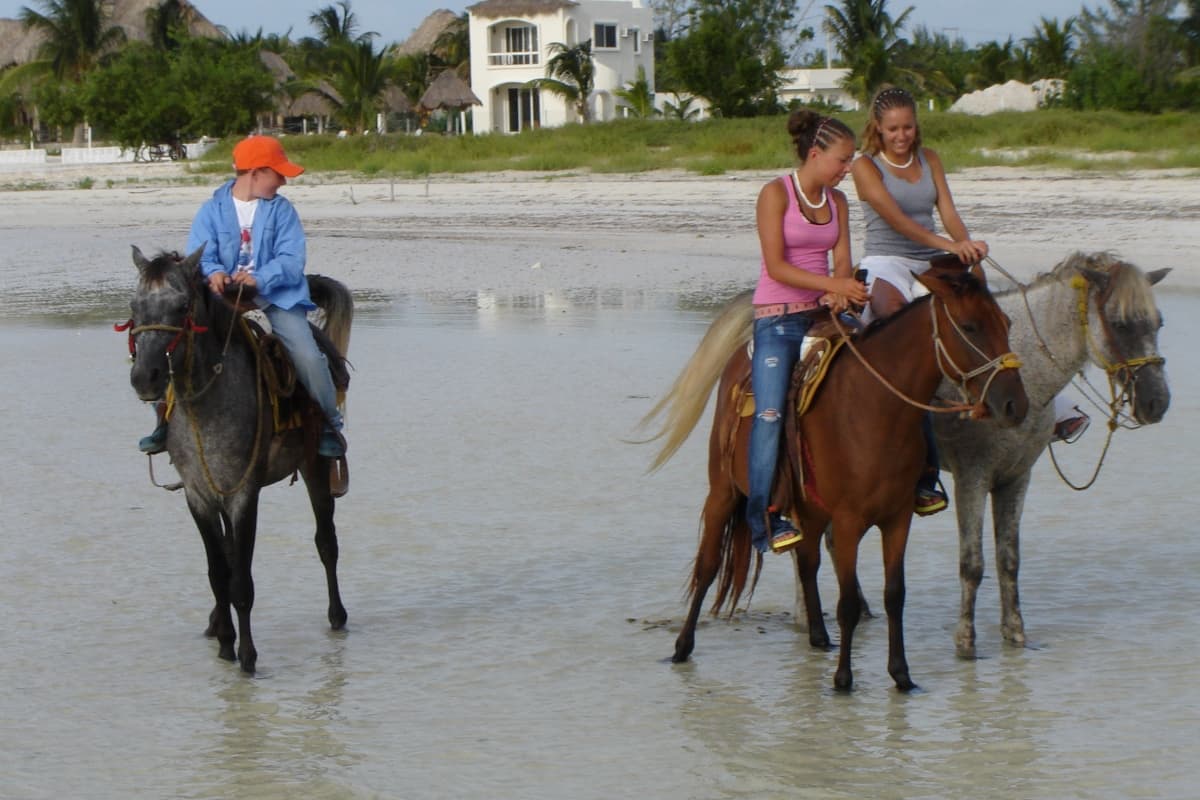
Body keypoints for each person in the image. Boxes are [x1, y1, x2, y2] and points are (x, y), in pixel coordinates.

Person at [852, 86, 1087, 515]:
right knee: (893, 318)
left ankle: (1055, 404)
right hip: (887, 258)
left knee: (987, 311)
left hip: (932, 258)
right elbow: (897, 220)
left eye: (908, 127)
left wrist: (965, 244)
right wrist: (947, 244)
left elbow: (948, 211)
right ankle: (907, 427)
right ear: (878, 130)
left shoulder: (932, 159)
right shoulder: (865, 166)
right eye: (892, 129)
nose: (901, 135)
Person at [139, 134, 346, 458]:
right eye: (278, 173)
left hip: (276, 297)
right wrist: (214, 273)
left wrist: (260, 278)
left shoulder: (282, 211)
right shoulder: (211, 210)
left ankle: (330, 424)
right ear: (256, 173)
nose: (282, 182)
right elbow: (201, 255)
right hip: (221, 298)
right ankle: (164, 419)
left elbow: (292, 261)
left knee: (307, 356)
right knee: (172, 343)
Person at [748, 111, 868, 555]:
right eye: (842, 159)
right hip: (777, 317)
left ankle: (918, 476)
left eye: (851, 159)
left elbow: (841, 261)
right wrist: (835, 286)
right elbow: (777, 265)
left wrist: (844, 291)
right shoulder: (775, 194)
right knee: (770, 413)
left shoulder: (838, 202)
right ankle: (766, 517)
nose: (848, 168)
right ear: (815, 154)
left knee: (886, 367)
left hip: (823, 314)